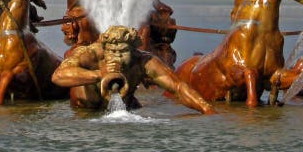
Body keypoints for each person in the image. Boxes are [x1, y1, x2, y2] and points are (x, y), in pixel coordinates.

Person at [51, 25, 215, 114]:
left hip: (125, 111)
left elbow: (178, 87)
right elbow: (58, 76)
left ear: (133, 50)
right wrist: (99, 74)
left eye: (122, 52)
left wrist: (206, 109)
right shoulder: (89, 54)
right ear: (104, 49)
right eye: (113, 52)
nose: (117, 57)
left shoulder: (143, 60)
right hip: (86, 114)